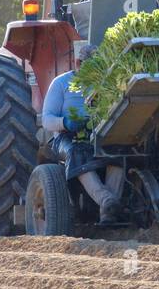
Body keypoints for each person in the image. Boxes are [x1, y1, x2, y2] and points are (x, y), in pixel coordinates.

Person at [41, 43, 125, 223]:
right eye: (91, 67)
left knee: (119, 152)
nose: (95, 72)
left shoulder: (105, 84)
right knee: (76, 153)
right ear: (78, 64)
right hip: (66, 137)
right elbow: (47, 119)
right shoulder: (61, 83)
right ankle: (106, 200)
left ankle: (108, 213)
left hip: (96, 135)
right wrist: (65, 122)